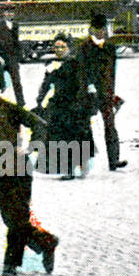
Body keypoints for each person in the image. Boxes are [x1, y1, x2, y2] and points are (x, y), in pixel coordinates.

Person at [0, 67, 59, 276]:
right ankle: (45, 242)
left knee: (15, 219)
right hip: (0, 169)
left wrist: (30, 148)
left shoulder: (3, 108)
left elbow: (40, 124)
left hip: (15, 167)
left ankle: (10, 265)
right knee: (13, 218)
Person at [34, 34, 93, 179]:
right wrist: (40, 98)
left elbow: (83, 83)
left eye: (62, 47)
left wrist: (83, 102)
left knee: (77, 134)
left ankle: (80, 164)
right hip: (59, 103)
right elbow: (46, 83)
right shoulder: (51, 64)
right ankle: (68, 169)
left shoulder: (75, 62)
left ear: (68, 47)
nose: (59, 50)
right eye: (56, 47)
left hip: (75, 103)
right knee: (60, 136)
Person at [75, 12, 126, 170]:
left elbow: (112, 72)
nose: (100, 32)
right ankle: (81, 160)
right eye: (97, 29)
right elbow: (81, 71)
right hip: (89, 93)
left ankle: (114, 161)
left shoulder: (110, 47)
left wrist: (111, 91)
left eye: (103, 29)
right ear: (91, 30)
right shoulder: (84, 48)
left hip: (106, 93)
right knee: (84, 127)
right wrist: (88, 87)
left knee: (110, 125)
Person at [0, 5, 28, 108]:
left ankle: (21, 103)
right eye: (7, 12)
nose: (10, 14)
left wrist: (19, 56)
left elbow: (16, 41)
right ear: (3, 14)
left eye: (11, 12)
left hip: (11, 57)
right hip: (1, 56)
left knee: (17, 81)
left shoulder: (15, 25)